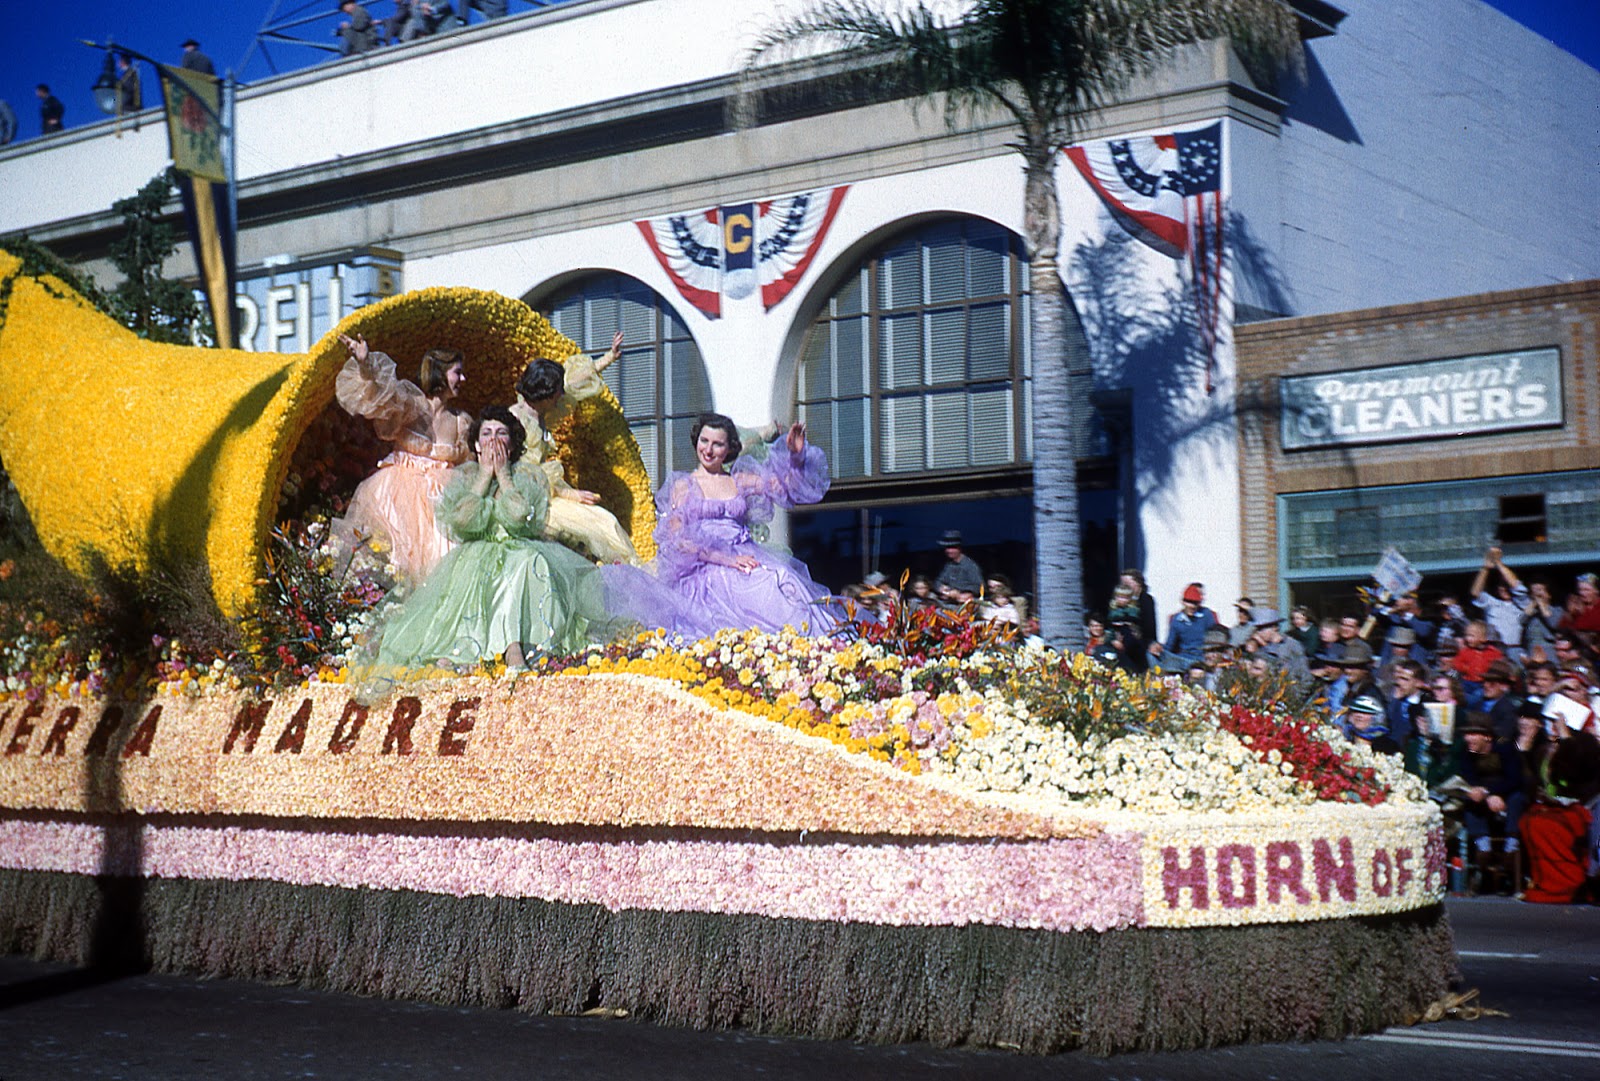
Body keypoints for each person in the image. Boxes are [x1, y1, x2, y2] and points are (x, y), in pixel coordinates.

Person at [369, 407, 613, 672]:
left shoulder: (529, 476)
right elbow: (461, 522)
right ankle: (464, 648)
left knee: (525, 563)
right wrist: (485, 477)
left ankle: (514, 645)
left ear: (512, 442)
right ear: (476, 443)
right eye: (486, 434)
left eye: (501, 434)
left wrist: (504, 477)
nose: (493, 441)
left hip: (520, 545)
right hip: (478, 549)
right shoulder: (464, 476)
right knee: (476, 572)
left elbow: (521, 519)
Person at [605, 414, 840, 641]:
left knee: (783, 581)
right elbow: (677, 540)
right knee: (747, 602)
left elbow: (786, 488)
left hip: (745, 556)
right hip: (705, 568)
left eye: (717, 444)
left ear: (729, 449)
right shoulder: (683, 486)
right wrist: (726, 560)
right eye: (704, 441)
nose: (708, 450)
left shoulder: (739, 481)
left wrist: (796, 457)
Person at [333, 333, 471, 583]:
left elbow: (468, 464)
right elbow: (379, 397)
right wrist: (366, 366)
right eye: (457, 372)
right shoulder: (412, 404)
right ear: (440, 373)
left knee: (441, 568)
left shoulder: (461, 421)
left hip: (440, 505)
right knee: (394, 564)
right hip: (399, 495)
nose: (463, 379)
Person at [508, 333, 640, 566]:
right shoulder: (516, 419)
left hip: (552, 494)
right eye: (556, 391)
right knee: (597, 525)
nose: (561, 396)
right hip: (533, 502)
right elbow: (524, 475)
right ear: (545, 392)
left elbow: (574, 383)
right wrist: (570, 494)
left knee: (604, 522)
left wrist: (608, 358)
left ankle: (626, 574)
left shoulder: (539, 412)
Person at [1152, 582, 1216, 673]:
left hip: (1202, 657)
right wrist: (1158, 649)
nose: (1191, 606)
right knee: (1151, 654)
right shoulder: (1177, 620)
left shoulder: (1206, 615)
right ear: (1183, 602)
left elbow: (1214, 636)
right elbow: (1170, 645)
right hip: (1183, 658)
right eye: (1188, 602)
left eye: (1195, 603)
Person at [933, 530, 982, 603]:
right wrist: (941, 588)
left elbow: (979, 586)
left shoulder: (970, 565)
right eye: (947, 548)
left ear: (959, 548)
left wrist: (960, 593)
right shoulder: (947, 565)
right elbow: (938, 581)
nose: (949, 551)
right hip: (947, 602)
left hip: (963, 604)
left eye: (952, 548)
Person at [115, 54, 141, 124]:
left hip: (130, 108)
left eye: (120, 61)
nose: (118, 63)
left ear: (123, 62)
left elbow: (130, 90)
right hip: (127, 107)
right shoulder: (128, 74)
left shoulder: (130, 74)